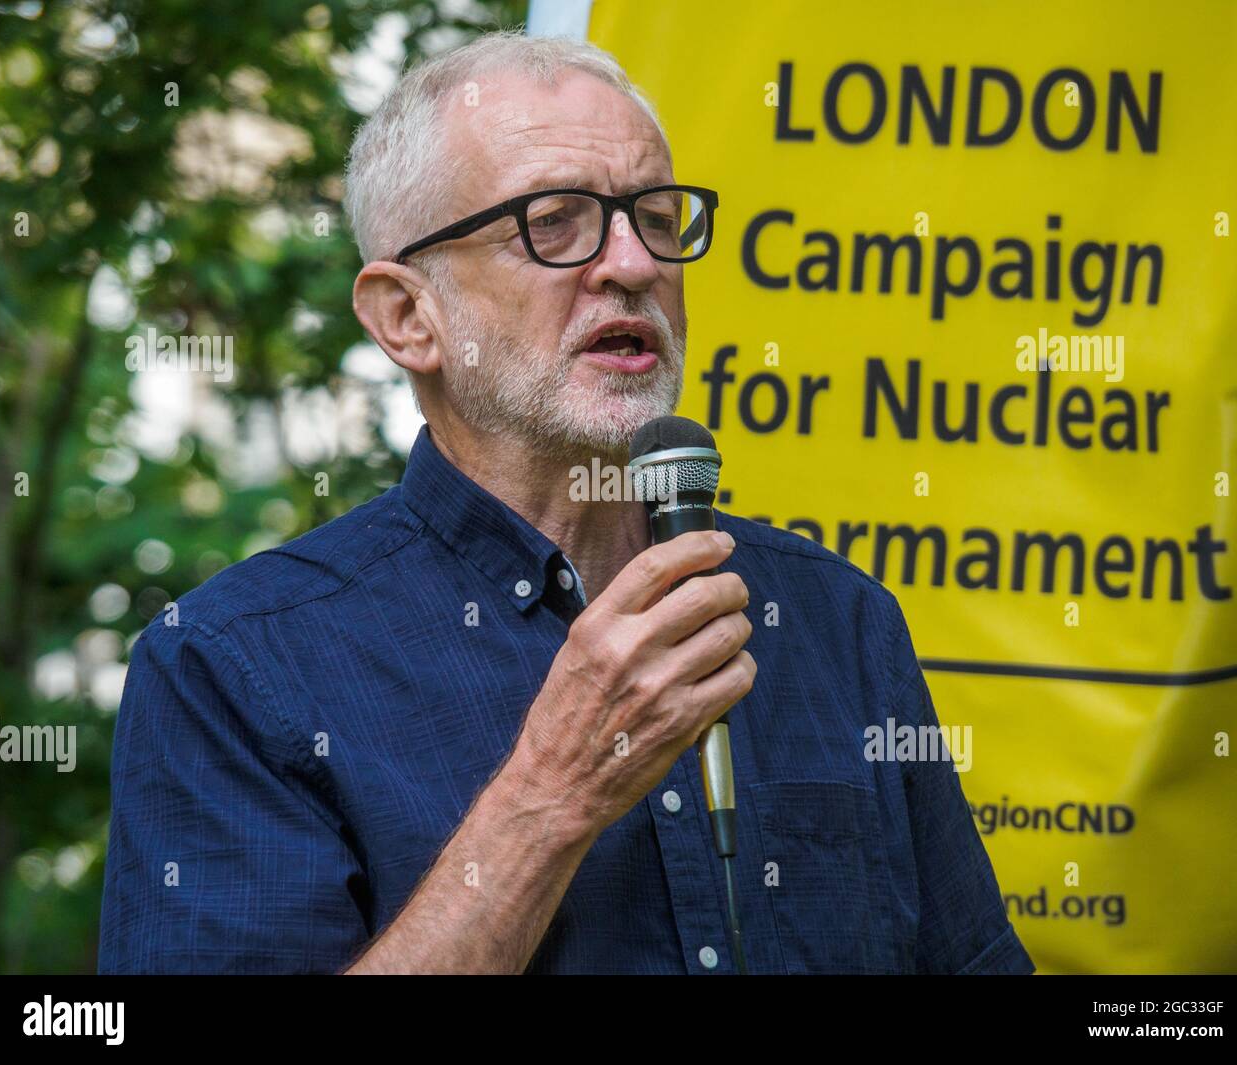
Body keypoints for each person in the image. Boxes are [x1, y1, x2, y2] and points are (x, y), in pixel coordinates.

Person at [98, 31, 1034, 975]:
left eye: (657, 218)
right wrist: (550, 794)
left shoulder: (837, 619)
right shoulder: (233, 665)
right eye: (554, 223)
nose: (633, 265)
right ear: (406, 317)